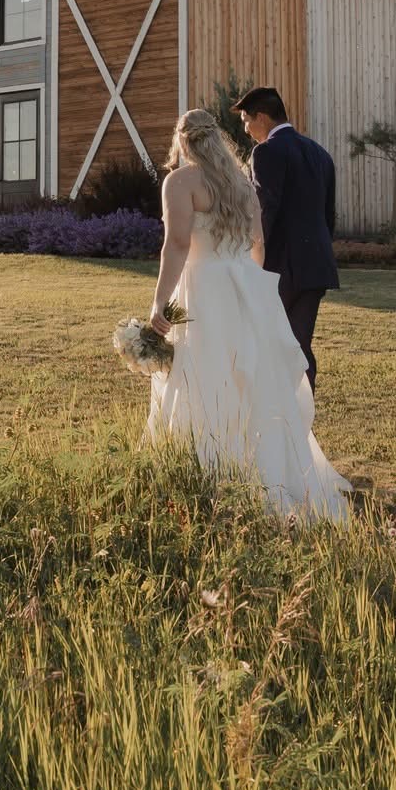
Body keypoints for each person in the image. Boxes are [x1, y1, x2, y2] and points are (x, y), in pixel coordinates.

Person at [144, 109, 350, 521]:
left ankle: (207, 471)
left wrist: (158, 302)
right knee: (251, 380)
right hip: (244, 286)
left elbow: (177, 246)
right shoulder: (241, 183)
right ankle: (267, 469)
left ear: (182, 142)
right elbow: (257, 243)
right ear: (217, 139)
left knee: (204, 375)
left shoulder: (180, 182)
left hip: (203, 288)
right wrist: (251, 288)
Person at [233, 86, 337, 397]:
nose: (246, 130)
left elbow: (264, 210)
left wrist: (252, 262)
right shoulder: (320, 153)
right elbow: (328, 215)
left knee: (269, 341)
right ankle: (304, 413)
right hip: (316, 264)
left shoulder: (266, 151)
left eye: (246, 121)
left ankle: (281, 413)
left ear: (261, 117)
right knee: (300, 344)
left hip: (280, 266)